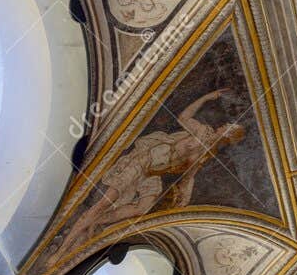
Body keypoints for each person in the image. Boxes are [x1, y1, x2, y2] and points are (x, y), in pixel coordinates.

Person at [53, 90, 245, 259]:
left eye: (230, 127)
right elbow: (183, 118)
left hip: (154, 173)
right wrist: (206, 98)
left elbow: (189, 176)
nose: (226, 125)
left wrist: (184, 199)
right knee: (104, 202)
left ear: (229, 137)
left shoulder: (206, 155)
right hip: (144, 160)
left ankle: (96, 222)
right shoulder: (202, 131)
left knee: (142, 209)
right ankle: (62, 251)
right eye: (228, 124)